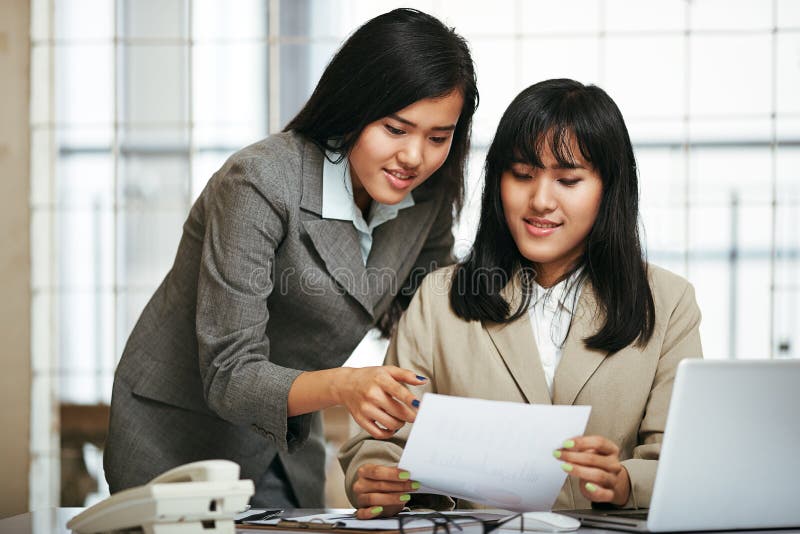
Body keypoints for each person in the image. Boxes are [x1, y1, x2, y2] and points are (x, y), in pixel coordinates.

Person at [104, 8, 478, 508]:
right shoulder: (259, 182)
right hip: (179, 433)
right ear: (353, 106)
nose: (415, 157)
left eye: (438, 137)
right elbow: (230, 373)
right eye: (395, 128)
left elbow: (434, 315)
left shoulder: (425, 198)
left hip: (286, 440)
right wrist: (348, 386)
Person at [339, 78, 703, 518]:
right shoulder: (439, 297)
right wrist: (377, 478)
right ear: (498, 181)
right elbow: (384, 440)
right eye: (523, 175)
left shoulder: (668, 302)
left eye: (568, 180)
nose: (541, 201)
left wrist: (625, 482)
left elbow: (681, 459)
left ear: (609, 189)